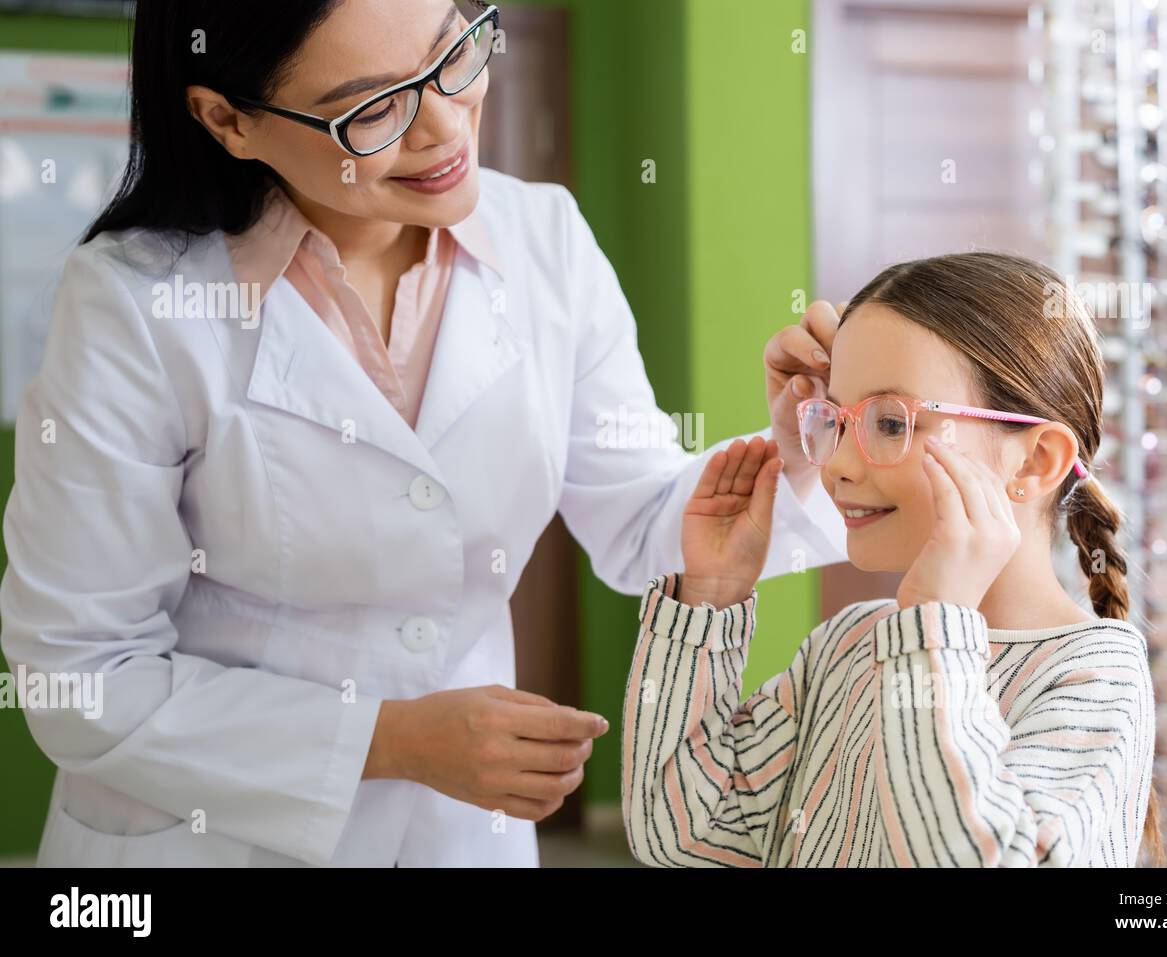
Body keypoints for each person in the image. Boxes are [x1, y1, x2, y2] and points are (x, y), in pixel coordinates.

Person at [0, 0, 846, 867]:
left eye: (454, 53)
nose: (446, 124)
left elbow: (644, 518)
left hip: (459, 840)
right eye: (373, 107)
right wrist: (395, 740)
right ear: (228, 119)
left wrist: (804, 449)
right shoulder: (135, 304)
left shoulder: (545, 240)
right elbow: (84, 673)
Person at [622, 252, 1164, 867]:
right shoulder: (849, 644)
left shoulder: (1096, 676)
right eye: (836, 420)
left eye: (888, 422)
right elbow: (684, 833)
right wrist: (710, 595)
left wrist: (933, 632)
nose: (838, 465)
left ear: (1035, 461)